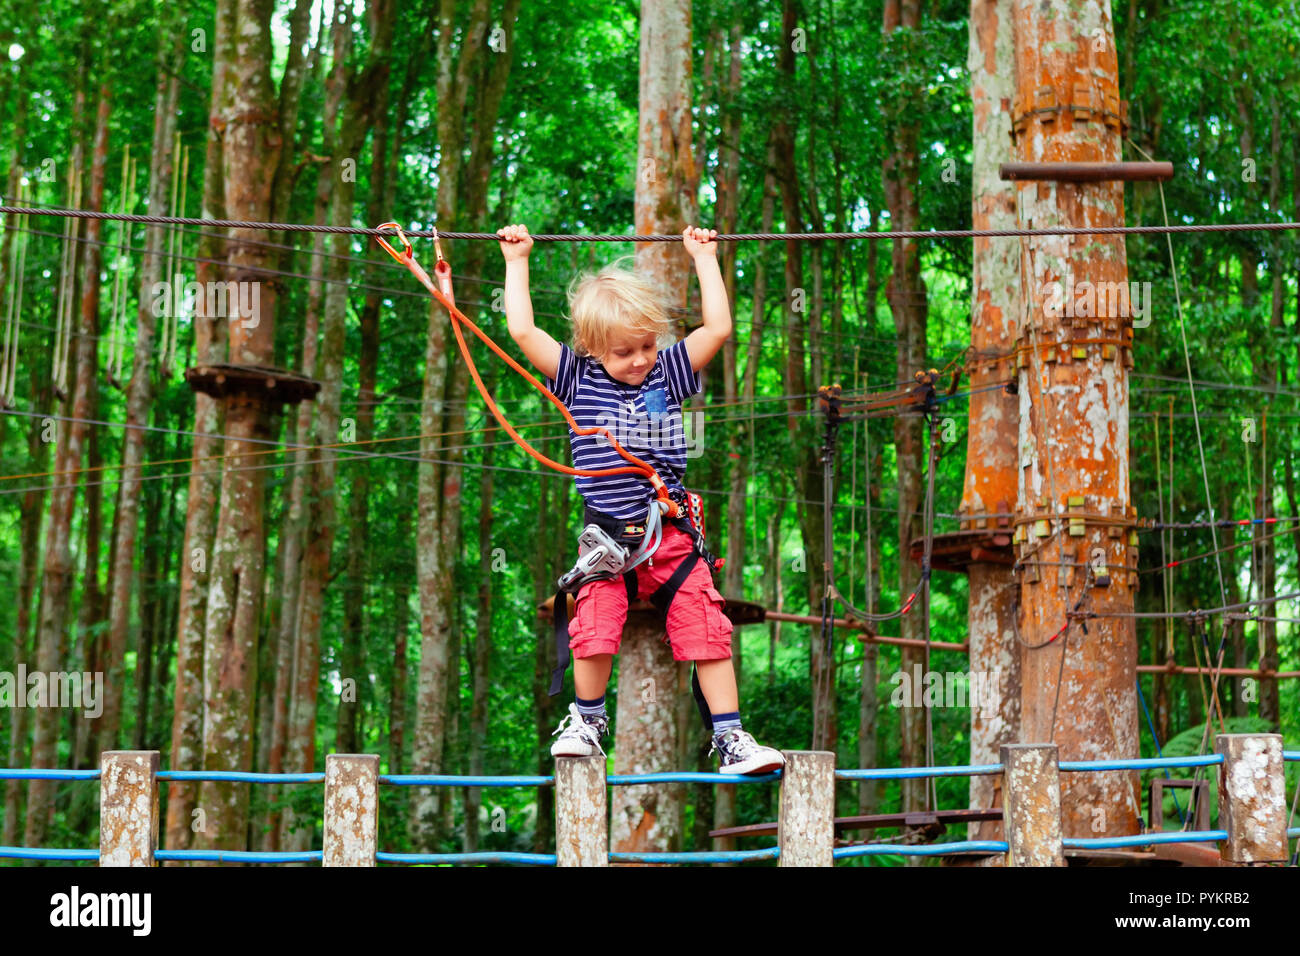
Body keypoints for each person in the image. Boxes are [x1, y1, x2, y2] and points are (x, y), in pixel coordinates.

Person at [497, 222, 784, 775]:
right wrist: (518, 263)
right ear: (592, 349)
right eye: (625, 352)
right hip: (607, 537)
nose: (640, 360)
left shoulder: (668, 373)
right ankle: (586, 722)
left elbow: (718, 327)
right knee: (594, 621)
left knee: (705, 624)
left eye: (648, 346)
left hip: (670, 535)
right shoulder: (577, 379)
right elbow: (524, 330)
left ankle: (731, 739)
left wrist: (704, 257)